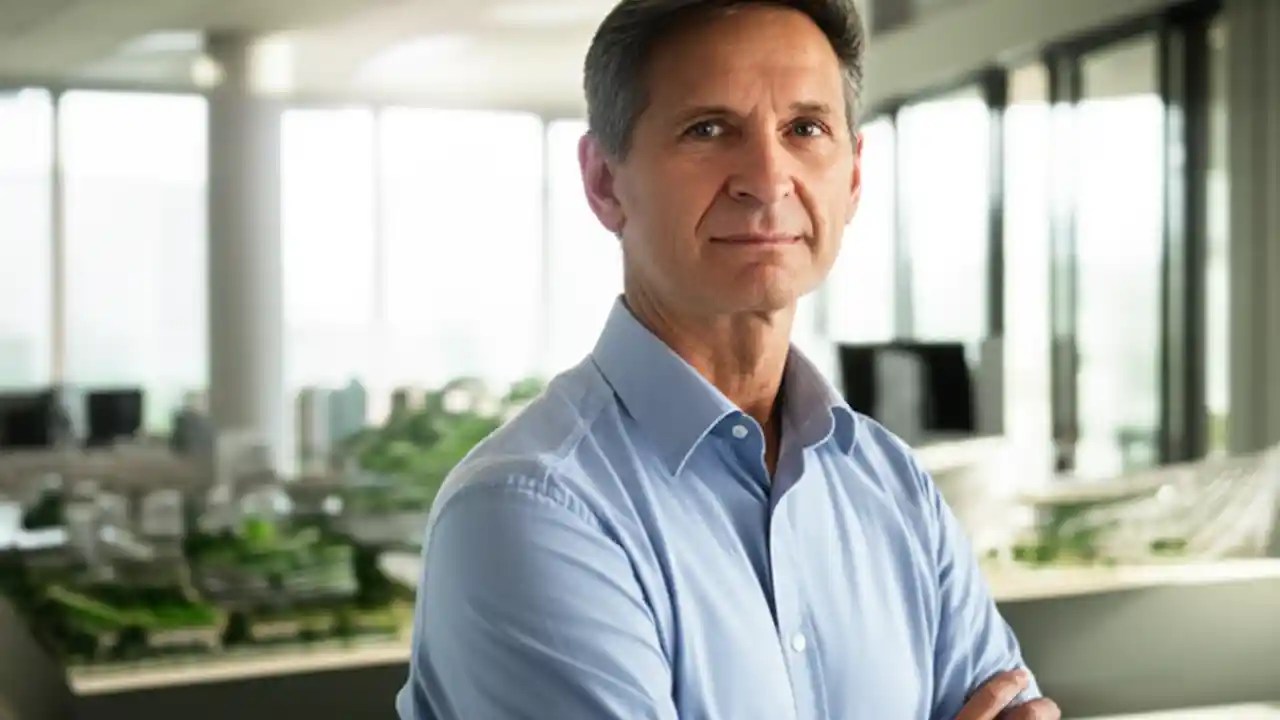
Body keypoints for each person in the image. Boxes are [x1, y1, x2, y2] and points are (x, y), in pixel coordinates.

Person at [396, 1, 1060, 718]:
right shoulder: (529, 513)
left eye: (805, 129)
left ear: (854, 177)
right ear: (604, 181)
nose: (768, 179)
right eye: (708, 130)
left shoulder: (895, 488)